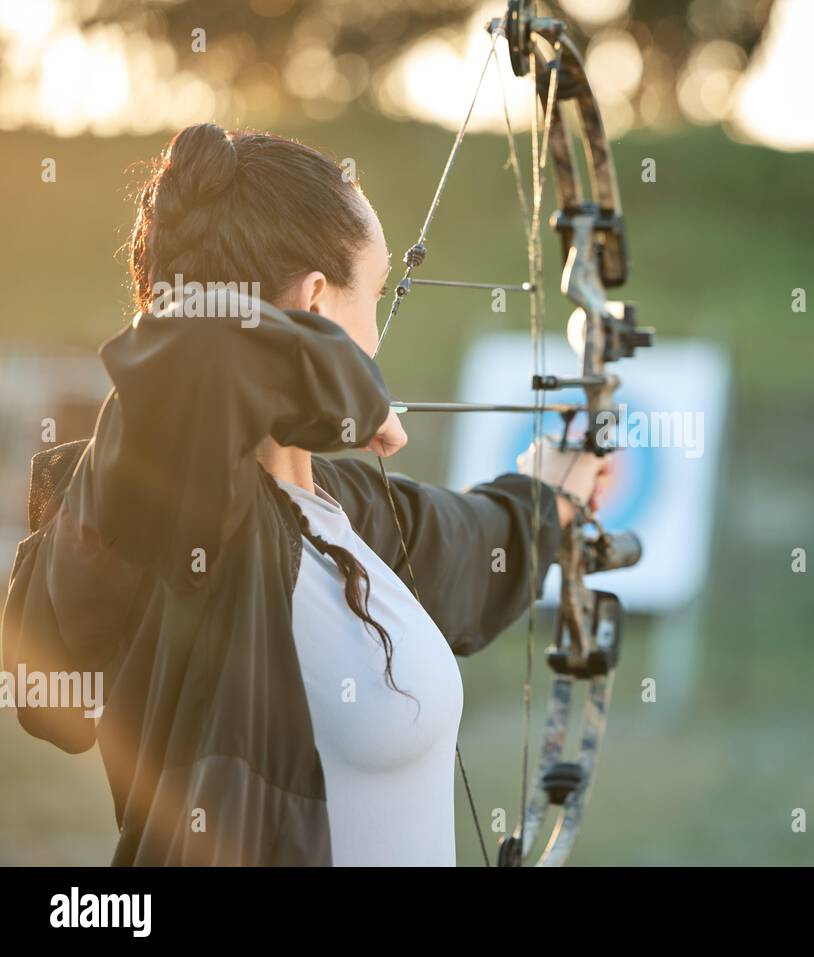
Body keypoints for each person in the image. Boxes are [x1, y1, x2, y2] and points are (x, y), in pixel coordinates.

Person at [1, 123, 609, 865]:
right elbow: (188, 357)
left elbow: (470, 543)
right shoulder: (167, 503)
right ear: (316, 301)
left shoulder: (340, 511)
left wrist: (552, 491)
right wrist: (342, 382)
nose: (377, 337)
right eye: (377, 293)